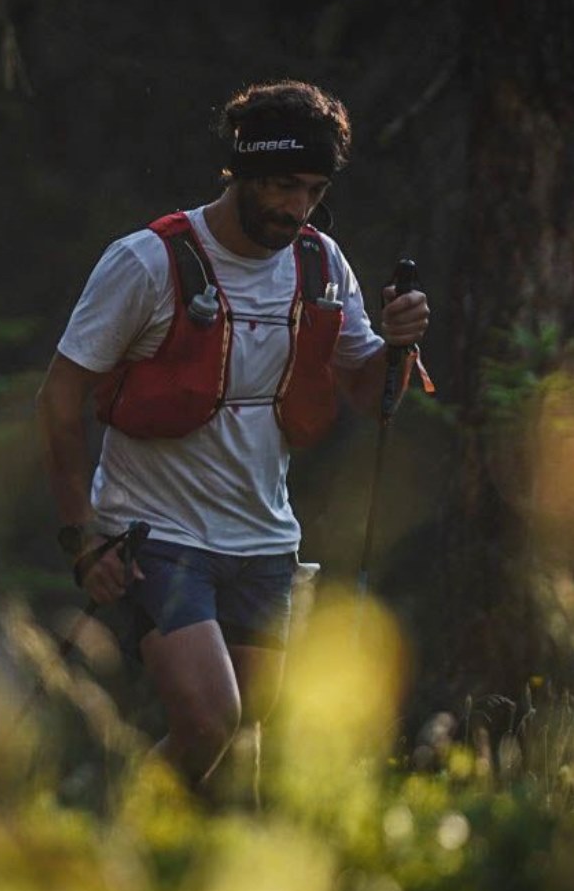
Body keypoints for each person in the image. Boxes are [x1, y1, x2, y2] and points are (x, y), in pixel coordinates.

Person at [36, 79, 429, 798]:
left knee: (240, 740)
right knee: (214, 720)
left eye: (312, 189)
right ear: (241, 170)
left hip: (263, 543)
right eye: (282, 185)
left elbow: (374, 397)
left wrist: (397, 345)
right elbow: (60, 397)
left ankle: (154, 866)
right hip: (155, 532)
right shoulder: (146, 263)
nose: (296, 207)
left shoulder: (321, 265)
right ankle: (112, 846)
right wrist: (81, 534)